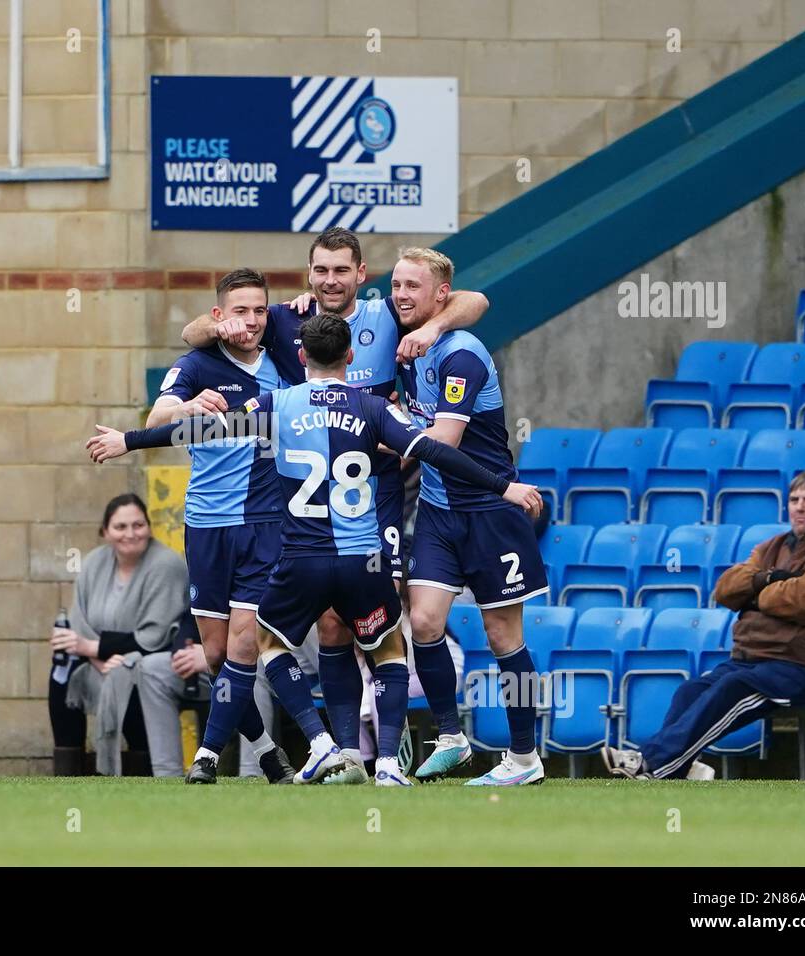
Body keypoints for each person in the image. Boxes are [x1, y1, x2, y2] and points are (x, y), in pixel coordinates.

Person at [88, 313, 543, 786]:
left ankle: (320, 742)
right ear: (350, 356)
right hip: (363, 558)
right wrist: (502, 486)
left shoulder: (277, 404)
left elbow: (198, 431)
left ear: (302, 357)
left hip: (301, 558)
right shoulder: (374, 409)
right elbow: (436, 452)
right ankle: (387, 763)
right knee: (387, 650)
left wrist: (128, 441)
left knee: (267, 644)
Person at [179, 227, 490, 777]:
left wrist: (436, 325)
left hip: (380, 498)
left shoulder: (387, 315)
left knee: (381, 624)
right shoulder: (281, 319)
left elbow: (474, 300)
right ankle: (349, 755)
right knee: (329, 627)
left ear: (359, 274)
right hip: (312, 509)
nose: (329, 280)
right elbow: (195, 330)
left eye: (340, 270)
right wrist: (217, 323)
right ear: (308, 275)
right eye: (320, 270)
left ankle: (397, 749)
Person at [394, 247, 552, 786]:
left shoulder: (460, 353)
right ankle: (452, 739)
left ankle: (525, 758)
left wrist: (382, 424)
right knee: (423, 622)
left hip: (490, 510)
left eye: (412, 286)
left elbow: (443, 440)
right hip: (438, 511)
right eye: (396, 284)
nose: (400, 295)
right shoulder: (405, 340)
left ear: (440, 296)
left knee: (503, 634)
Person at [603, 472, 805, 780]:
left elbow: (802, 599)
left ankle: (651, 763)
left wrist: (755, 596)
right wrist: (767, 580)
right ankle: (674, 766)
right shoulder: (773, 546)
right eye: (794, 500)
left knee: (737, 688)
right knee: (691, 690)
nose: (799, 507)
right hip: (759, 661)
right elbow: (726, 589)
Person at [148, 268, 298, 784]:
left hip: (264, 524)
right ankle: (269, 752)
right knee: (214, 653)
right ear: (219, 316)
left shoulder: (281, 363)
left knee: (243, 646)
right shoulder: (198, 363)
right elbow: (156, 417)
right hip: (206, 525)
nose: (252, 321)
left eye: (260, 310)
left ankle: (206, 758)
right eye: (240, 311)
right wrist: (187, 407)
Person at [48, 494, 194, 777]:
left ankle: (140, 771)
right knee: (62, 670)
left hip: (149, 658)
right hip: (98, 660)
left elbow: (156, 635)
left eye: (138, 525)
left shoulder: (166, 565)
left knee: (130, 675)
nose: (130, 534)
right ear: (105, 532)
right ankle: (67, 771)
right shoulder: (93, 562)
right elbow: (78, 622)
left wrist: (94, 649)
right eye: (120, 527)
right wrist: (96, 659)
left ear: (149, 528)